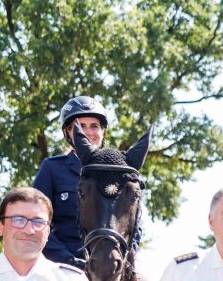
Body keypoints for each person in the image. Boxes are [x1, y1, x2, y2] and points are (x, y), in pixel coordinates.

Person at [34, 95, 144, 265]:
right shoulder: (52, 168)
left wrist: (126, 256)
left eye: (94, 126)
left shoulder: (121, 169)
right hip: (63, 265)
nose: (88, 132)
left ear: (102, 132)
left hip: (115, 263)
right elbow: (36, 222)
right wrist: (70, 261)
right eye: (80, 126)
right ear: (68, 133)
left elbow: (135, 223)